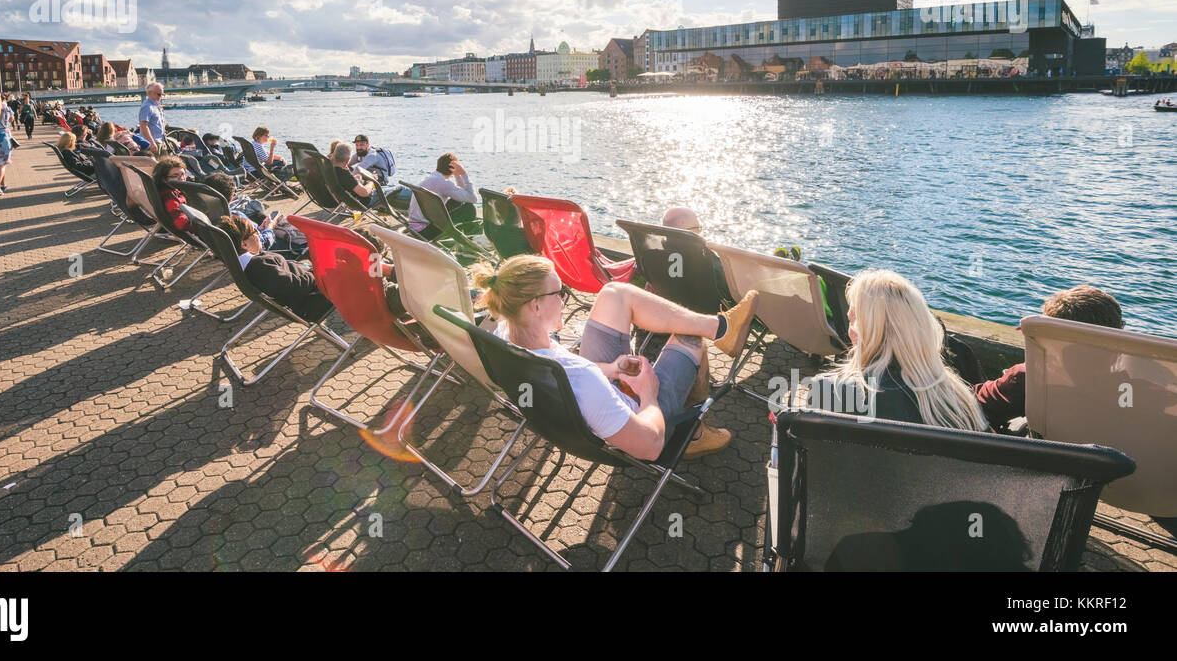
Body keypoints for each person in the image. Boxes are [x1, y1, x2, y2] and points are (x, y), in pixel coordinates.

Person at [471, 254, 760, 460]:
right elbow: (649, 446)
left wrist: (611, 369)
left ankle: (721, 328)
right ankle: (692, 435)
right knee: (690, 338)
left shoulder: (504, 335)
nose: (564, 299)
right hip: (639, 422)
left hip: (596, 390)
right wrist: (648, 393)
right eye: (559, 293)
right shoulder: (581, 379)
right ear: (535, 307)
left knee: (614, 293)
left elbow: (574, 377)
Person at [805, 270, 988, 430]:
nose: (849, 329)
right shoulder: (961, 402)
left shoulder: (829, 392)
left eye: (853, 319)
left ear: (868, 331)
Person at [973, 285, 1124, 430]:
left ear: (1052, 340)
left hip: (1045, 454)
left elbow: (975, 407)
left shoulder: (1032, 379)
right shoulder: (1132, 389)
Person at [215, 214, 332, 323]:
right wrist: (316, 271)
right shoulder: (260, 266)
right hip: (315, 298)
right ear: (244, 244)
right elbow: (295, 286)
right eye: (255, 231)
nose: (259, 234)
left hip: (310, 290)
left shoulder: (241, 263)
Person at [201, 171, 294, 253]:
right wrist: (269, 228)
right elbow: (262, 245)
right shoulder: (235, 219)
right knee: (302, 241)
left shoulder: (203, 216)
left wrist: (259, 229)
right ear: (232, 197)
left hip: (229, 251)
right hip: (271, 250)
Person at [408, 152, 476, 238]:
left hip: (416, 226)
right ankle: (467, 241)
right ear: (452, 168)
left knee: (459, 201)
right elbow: (473, 198)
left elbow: (462, 193)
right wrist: (463, 173)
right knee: (469, 208)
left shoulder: (429, 179)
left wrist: (456, 175)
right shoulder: (444, 183)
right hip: (427, 231)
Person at [138, 82, 166, 156]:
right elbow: (144, 125)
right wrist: (151, 142)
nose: (160, 97)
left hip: (160, 141)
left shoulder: (156, 106)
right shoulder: (147, 106)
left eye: (162, 94)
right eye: (159, 94)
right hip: (153, 143)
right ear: (150, 93)